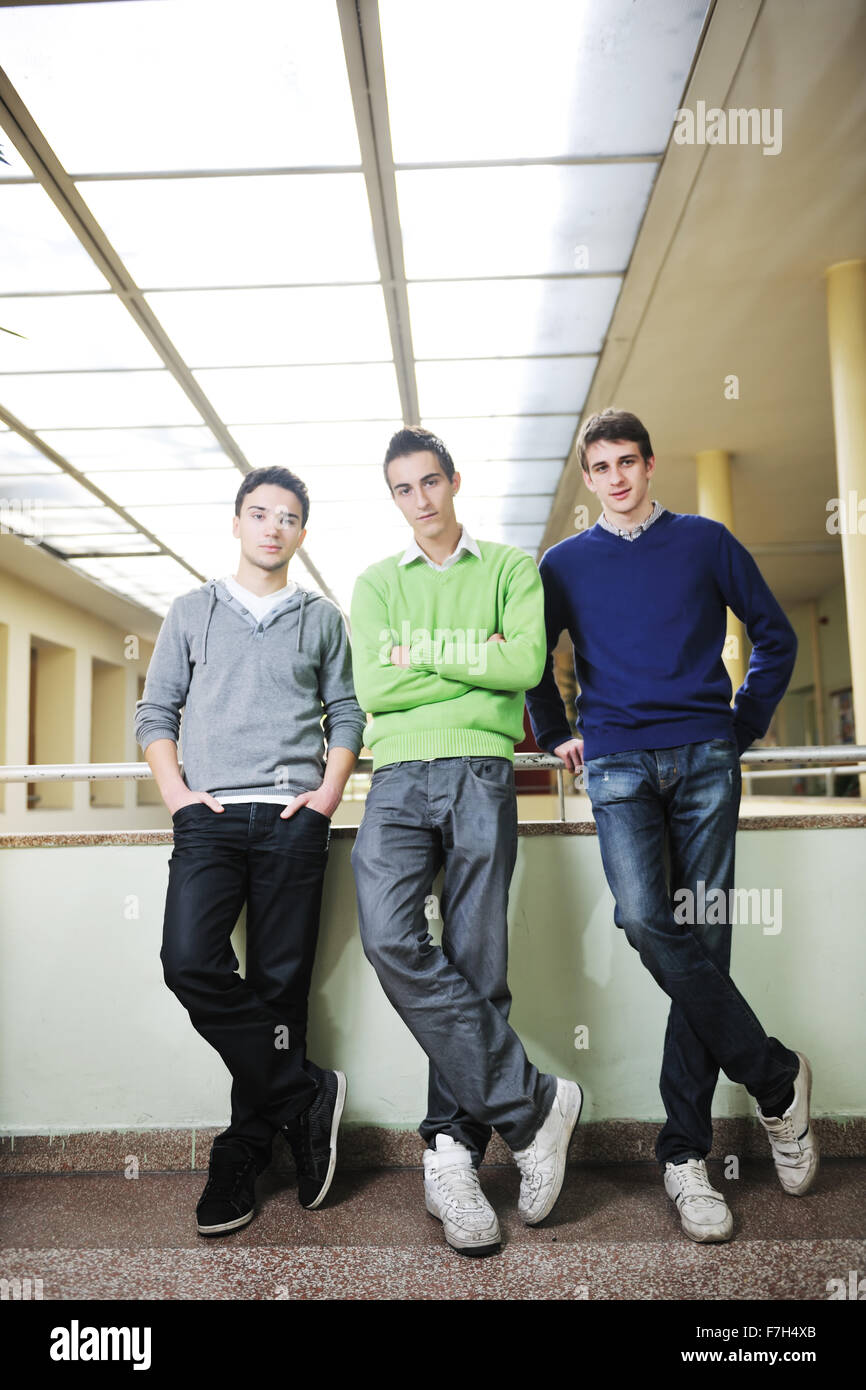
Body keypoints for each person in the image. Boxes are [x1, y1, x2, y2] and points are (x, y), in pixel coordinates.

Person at [526, 408, 818, 1244]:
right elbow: (532, 666)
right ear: (587, 478)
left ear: (650, 466)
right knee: (648, 920)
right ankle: (775, 1079)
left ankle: (684, 1156)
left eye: (628, 462)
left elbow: (774, 634)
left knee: (704, 935)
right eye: (601, 467)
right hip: (615, 762)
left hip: (702, 758)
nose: (616, 478)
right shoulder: (565, 563)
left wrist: (742, 725)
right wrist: (556, 733)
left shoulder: (704, 541)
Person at [349, 426, 582, 1256]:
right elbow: (374, 683)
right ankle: (533, 1107)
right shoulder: (376, 582)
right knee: (389, 936)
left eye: (431, 483)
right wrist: (466, 655)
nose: (422, 501)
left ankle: (449, 1154)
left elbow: (523, 665)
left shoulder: (512, 569)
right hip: (400, 774)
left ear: (455, 482)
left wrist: (428, 656)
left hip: (484, 768)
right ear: (396, 498)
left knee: (479, 960)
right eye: (404, 489)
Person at [134, 466, 365, 1235]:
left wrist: (326, 797)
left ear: (302, 533)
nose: (273, 526)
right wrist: (178, 796)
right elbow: (155, 712)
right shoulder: (191, 611)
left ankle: (241, 1153)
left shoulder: (321, 618)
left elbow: (346, 714)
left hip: (295, 819)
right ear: (236, 523)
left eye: (289, 517)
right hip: (211, 817)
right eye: (259, 513)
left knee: (280, 987)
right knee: (190, 961)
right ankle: (303, 1095)